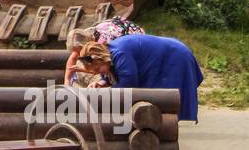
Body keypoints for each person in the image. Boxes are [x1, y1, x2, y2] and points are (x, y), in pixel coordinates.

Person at [74, 34, 204, 121]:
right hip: (163, 57)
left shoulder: (120, 54)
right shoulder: (108, 55)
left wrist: (106, 91)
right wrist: (102, 83)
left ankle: (167, 128)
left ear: (101, 58)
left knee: (168, 98)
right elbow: (108, 72)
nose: (97, 73)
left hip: (174, 56)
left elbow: (129, 83)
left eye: (97, 69)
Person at [63, 19, 146, 86]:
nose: (78, 55)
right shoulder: (87, 35)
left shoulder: (104, 43)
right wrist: (67, 82)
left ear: (84, 45)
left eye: (79, 52)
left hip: (138, 45)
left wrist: (85, 70)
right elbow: (73, 58)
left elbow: (108, 67)